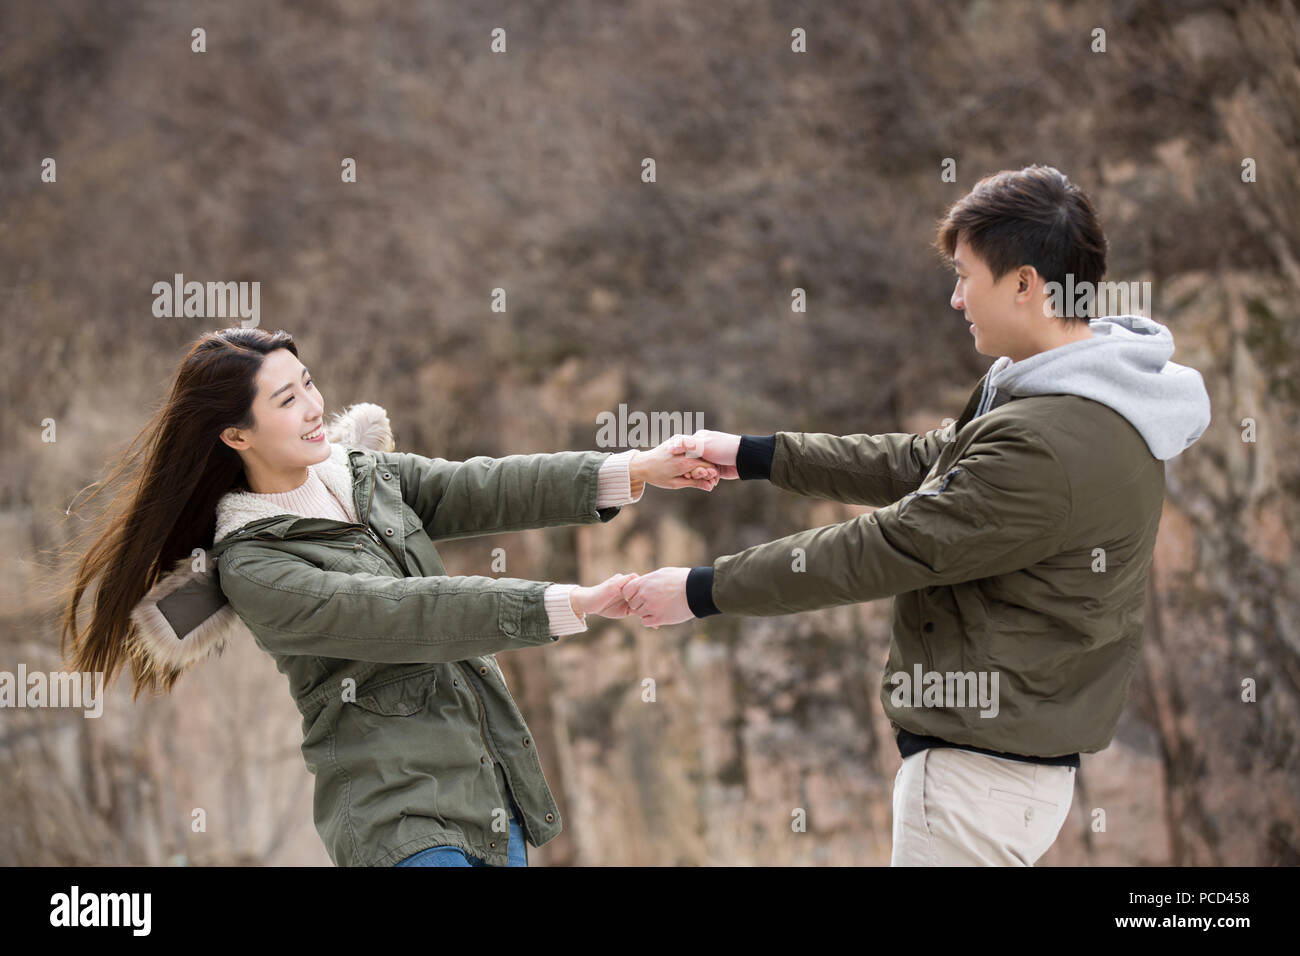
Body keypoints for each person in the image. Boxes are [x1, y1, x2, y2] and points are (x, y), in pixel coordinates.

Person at [622, 164, 1212, 866]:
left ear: (1025, 284)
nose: (956, 297)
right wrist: (754, 455)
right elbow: (925, 463)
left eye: (966, 276)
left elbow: (888, 546)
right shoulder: (1081, 396)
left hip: (973, 780)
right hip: (1010, 768)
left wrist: (701, 590)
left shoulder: (1046, 441)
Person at [56, 326, 718, 867]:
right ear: (237, 436)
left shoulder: (365, 478)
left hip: (491, 799)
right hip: (397, 820)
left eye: (308, 384)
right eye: (285, 401)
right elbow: (407, 614)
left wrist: (637, 468)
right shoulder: (255, 567)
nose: (314, 406)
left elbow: (486, 487)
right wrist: (572, 602)